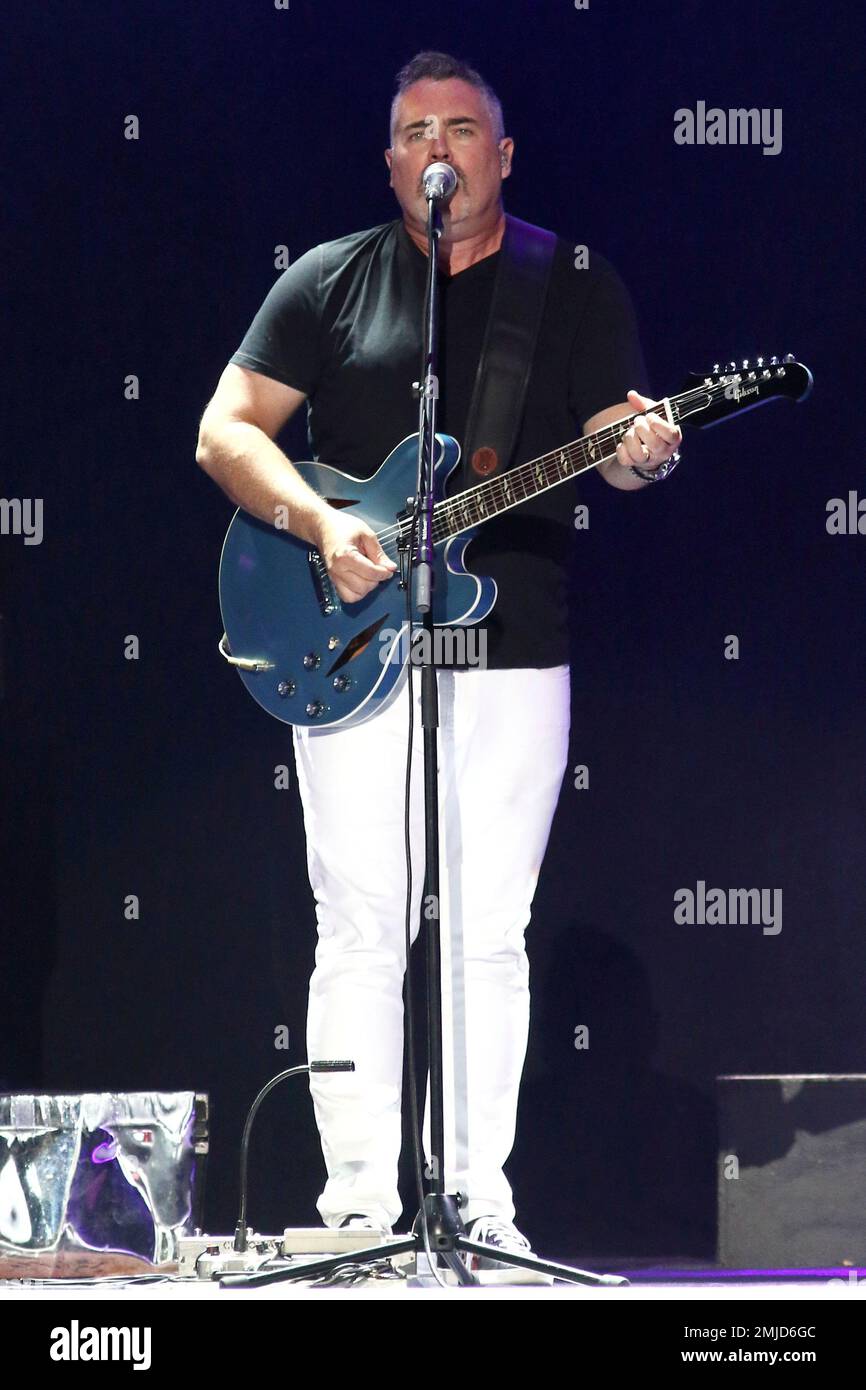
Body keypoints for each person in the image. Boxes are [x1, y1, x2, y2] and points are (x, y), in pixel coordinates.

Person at [196, 50, 682, 1265]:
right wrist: (320, 524)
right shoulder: (330, 280)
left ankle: (474, 1200)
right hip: (351, 648)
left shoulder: (564, 282)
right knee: (357, 923)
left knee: (483, 931)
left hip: (510, 649)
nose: (438, 148)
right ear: (391, 158)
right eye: (416, 129)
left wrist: (641, 448)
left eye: (461, 129)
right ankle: (358, 1204)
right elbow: (224, 429)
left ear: (499, 155)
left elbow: (610, 449)